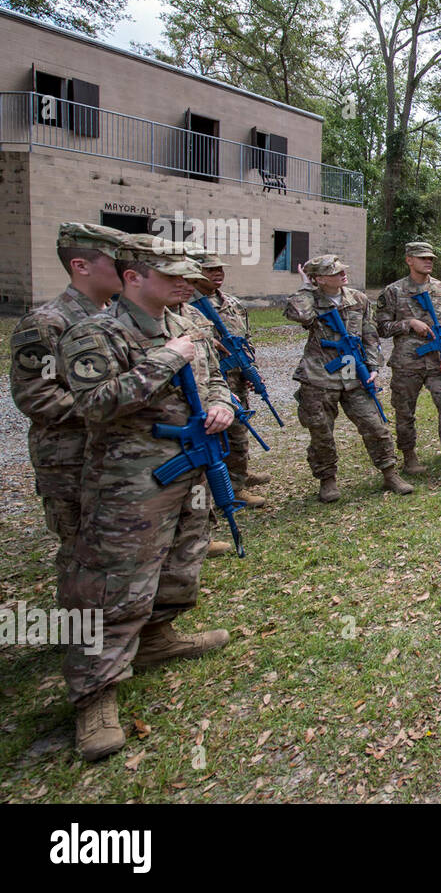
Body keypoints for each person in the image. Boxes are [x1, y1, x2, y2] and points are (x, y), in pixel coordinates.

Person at [57, 235, 234, 760]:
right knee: (111, 584)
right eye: (173, 275)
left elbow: (216, 379)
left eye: (189, 275)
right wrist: (162, 361)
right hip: (130, 479)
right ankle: (94, 696)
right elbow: (91, 404)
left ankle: (158, 637)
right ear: (133, 277)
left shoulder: (187, 327)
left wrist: (222, 405)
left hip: (192, 469)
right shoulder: (96, 334)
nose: (186, 283)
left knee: (183, 561)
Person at [10, 223, 126, 587]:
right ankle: (88, 638)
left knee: (121, 541)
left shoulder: (121, 317)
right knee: (83, 549)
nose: (128, 271)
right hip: (72, 455)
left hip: (118, 450)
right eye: (117, 262)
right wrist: (113, 408)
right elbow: (37, 396)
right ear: (81, 265)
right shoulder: (47, 323)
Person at [285, 254, 413, 500]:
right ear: (319, 279)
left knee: (376, 426)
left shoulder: (358, 299)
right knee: (321, 432)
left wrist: (373, 366)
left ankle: (389, 473)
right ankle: (327, 481)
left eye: (342, 270)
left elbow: (370, 334)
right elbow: (301, 315)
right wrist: (305, 286)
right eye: (334, 272)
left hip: (354, 375)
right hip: (319, 377)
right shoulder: (309, 299)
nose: (342, 274)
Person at [186, 246, 270, 516]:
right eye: (210, 269)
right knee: (224, 432)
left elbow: (244, 341)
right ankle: (233, 487)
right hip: (208, 382)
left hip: (234, 377)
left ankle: (239, 473)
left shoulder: (231, 303)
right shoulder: (187, 308)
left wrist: (250, 371)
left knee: (239, 429)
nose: (218, 274)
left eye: (220, 269)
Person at [375, 241, 441, 481]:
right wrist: (408, 324)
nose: (428, 262)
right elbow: (380, 327)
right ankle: (409, 457)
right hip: (407, 363)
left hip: (438, 361)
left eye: (431, 258)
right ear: (409, 260)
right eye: (423, 257)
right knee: (405, 412)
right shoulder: (393, 291)